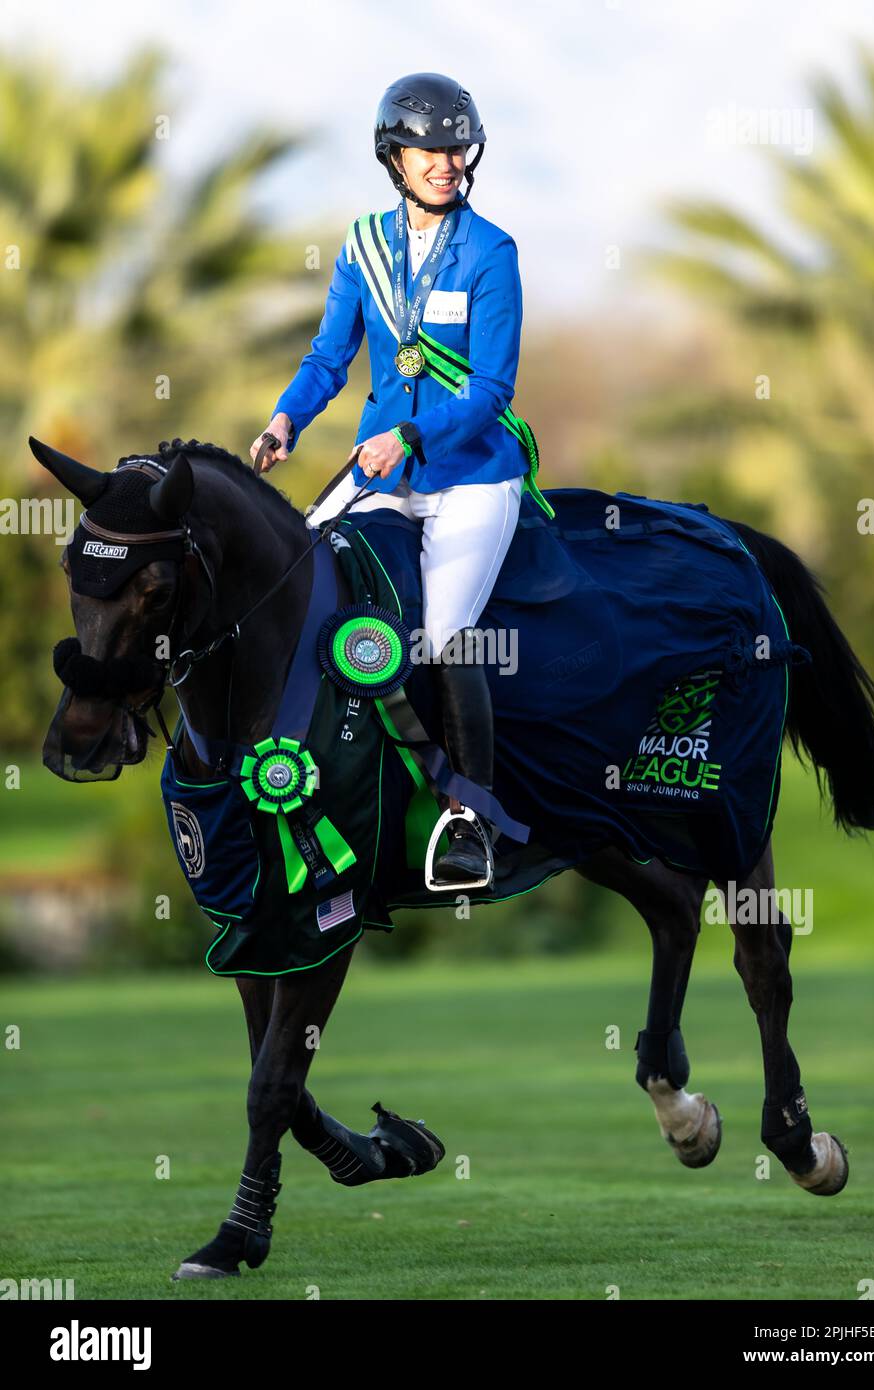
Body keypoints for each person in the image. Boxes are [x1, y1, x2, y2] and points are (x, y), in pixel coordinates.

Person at [251, 72, 540, 888]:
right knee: (295, 584)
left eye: (457, 147)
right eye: (429, 149)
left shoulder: (492, 252)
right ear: (394, 156)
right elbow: (327, 358)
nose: (447, 161)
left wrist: (408, 434)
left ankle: (470, 821)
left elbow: (490, 393)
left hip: (470, 477)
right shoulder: (363, 245)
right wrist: (285, 421)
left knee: (444, 635)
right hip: (386, 470)